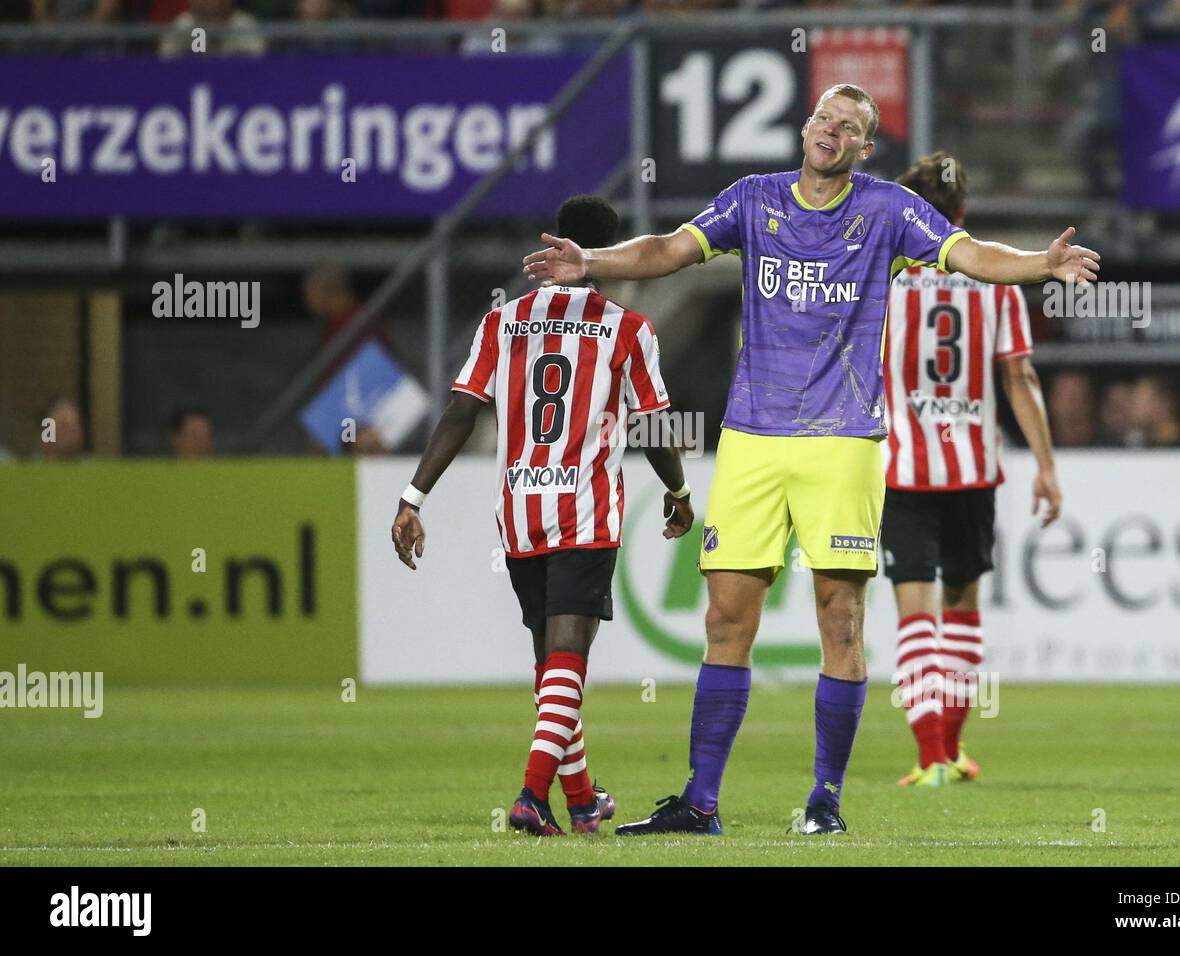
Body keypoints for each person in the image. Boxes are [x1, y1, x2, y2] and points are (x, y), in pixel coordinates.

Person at [524, 83, 1099, 836]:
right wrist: (591, 259)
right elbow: (667, 251)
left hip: (842, 442)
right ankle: (701, 801)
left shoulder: (889, 209)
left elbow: (970, 256)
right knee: (726, 619)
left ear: (864, 148)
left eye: (850, 126)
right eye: (825, 117)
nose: (831, 130)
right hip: (753, 439)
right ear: (806, 127)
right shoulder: (753, 199)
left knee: (842, 620)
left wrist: (1040, 264)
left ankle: (825, 799)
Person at [391, 195, 695, 837]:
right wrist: (678, 492)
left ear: (556, 241)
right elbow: (652, 424)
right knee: (568, 660)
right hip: (583, 510)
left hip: (520, 508)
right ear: (610, 258)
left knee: (551, 665)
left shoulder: (503, 322)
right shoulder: (628, 329)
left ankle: (582, 799)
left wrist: (413, 496)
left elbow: (460, 409)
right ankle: (532, 795)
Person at [880, 151, 1062, 788]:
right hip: (975, 468)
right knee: (962, 604)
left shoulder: (889, 275)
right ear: (962, 211)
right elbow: (1020, 375)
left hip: (904, 467)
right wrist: (1045, 465)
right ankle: (949, 749)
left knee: (915, 614)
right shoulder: (994, 273)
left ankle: (932, 754)